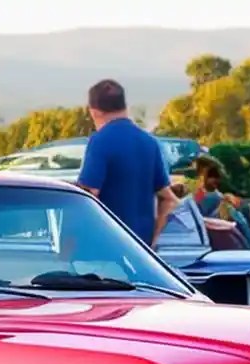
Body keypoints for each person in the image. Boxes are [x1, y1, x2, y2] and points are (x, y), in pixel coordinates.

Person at [76, 79, 177, 247]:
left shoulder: (100, 141)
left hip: (108, 247)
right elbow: (169, 200)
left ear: (93, 112)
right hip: (141, 253)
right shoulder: (149, 142)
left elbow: (88, 194)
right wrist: (153, 241)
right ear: (124, 107)